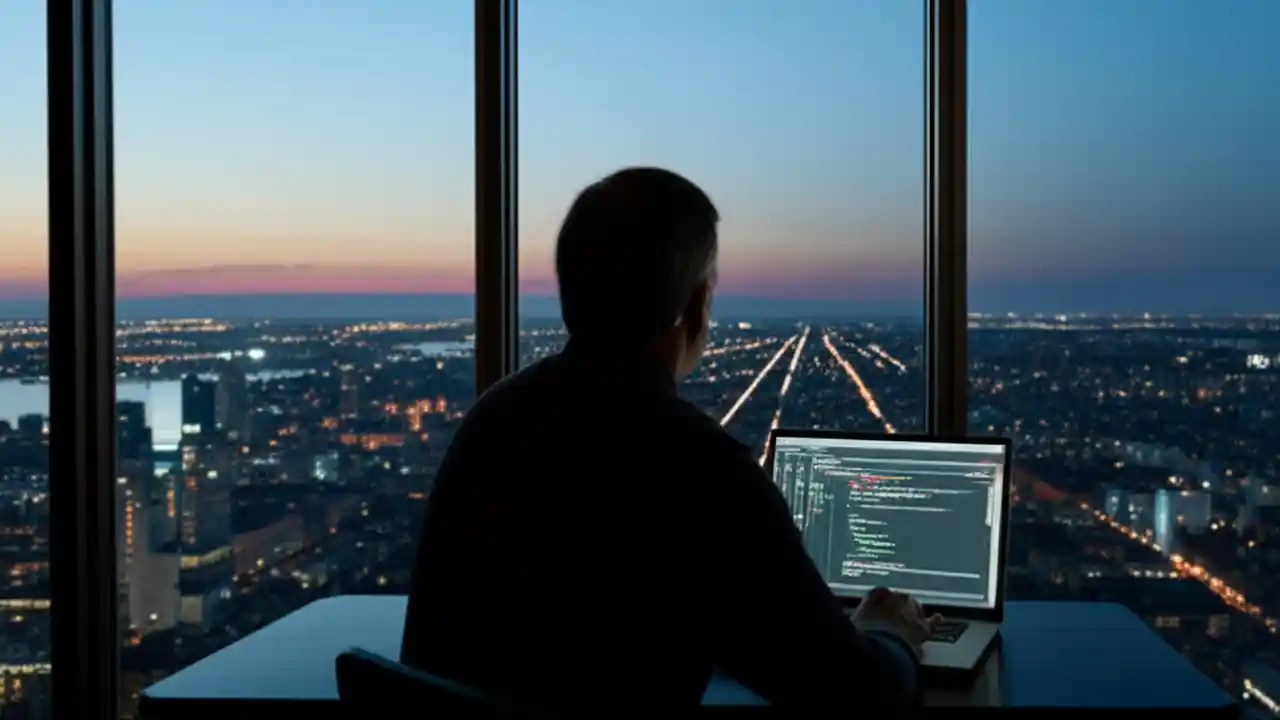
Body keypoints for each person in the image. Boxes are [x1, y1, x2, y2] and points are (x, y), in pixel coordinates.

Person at [402, 167, 937, 712]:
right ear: (697, 306)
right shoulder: (700, 468)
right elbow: (855, 696)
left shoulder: (494, 420)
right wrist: (889, 633)